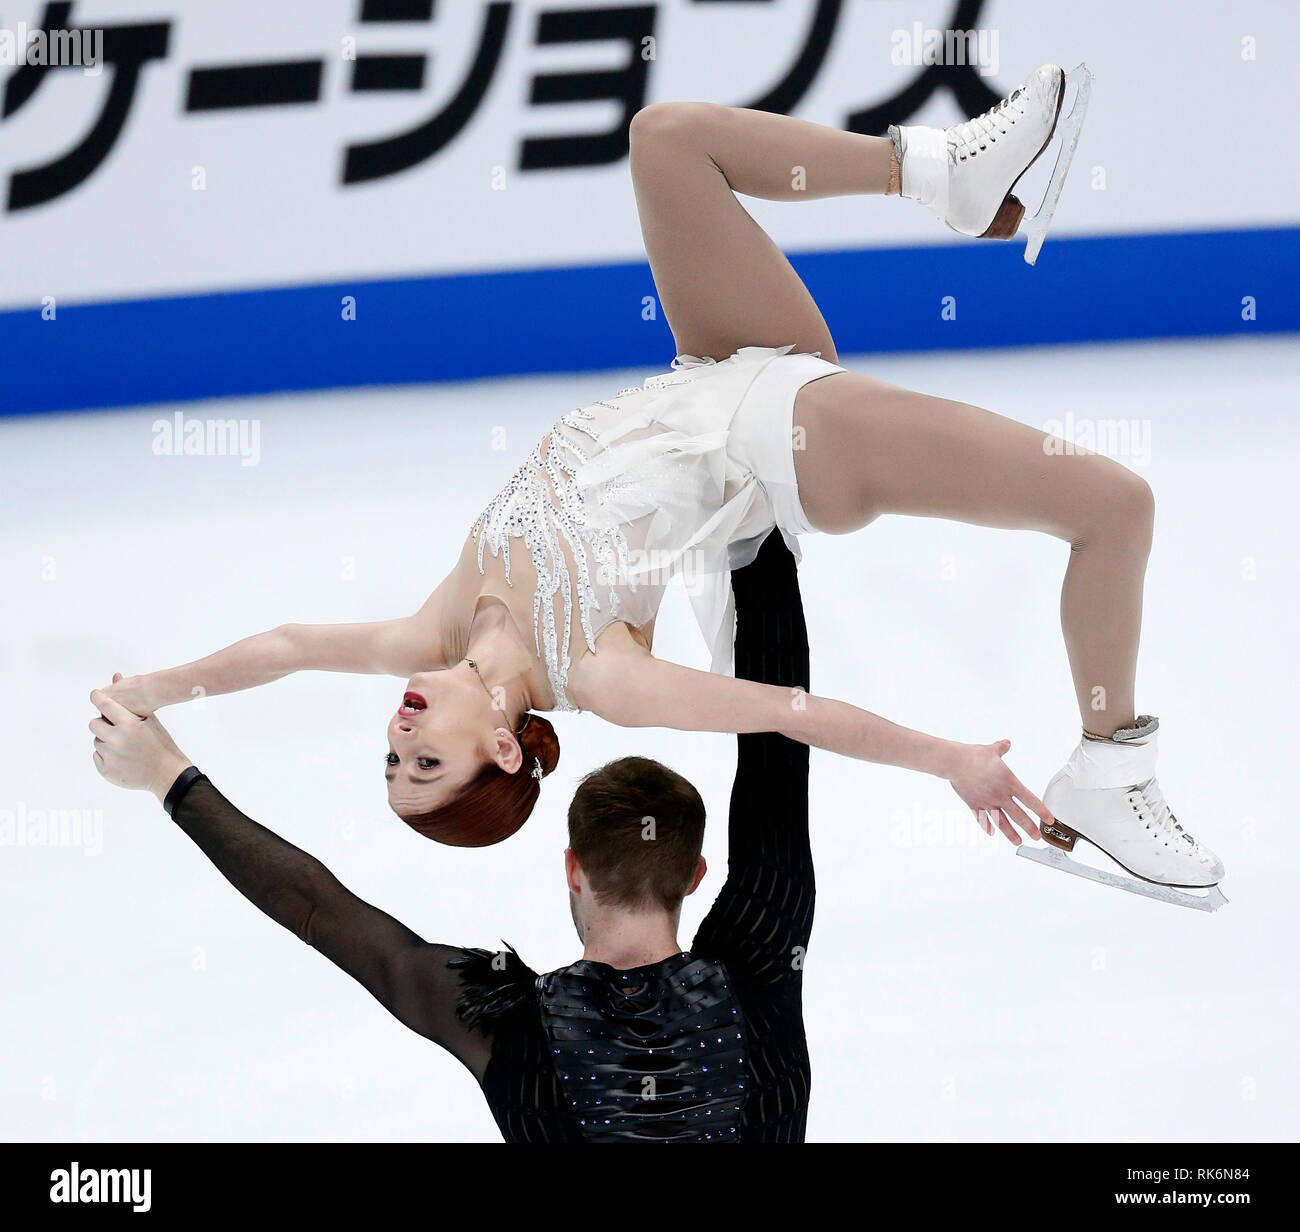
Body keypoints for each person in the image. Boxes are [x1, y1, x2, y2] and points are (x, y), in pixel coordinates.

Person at [100, 65, 1221, 889]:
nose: (397, 733)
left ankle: (946, 180)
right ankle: (1111, 770)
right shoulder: (604, 677)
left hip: (716, 358)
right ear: (501, 746)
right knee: (1113, 504)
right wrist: (948, 760)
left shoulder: (433, 630)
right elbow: (786, 711)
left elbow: (288, 647)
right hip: (788, 436)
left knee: (664, 138)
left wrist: (154, 689)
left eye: (389, 755)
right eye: (423, 760)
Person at [91, 534, 817, 1142]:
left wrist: (165, 774)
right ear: (694, 874)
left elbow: (317, 907)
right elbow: (780, 755)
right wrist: (753, 517)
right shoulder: (758, 973)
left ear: (573, 869)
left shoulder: (517, 1028)